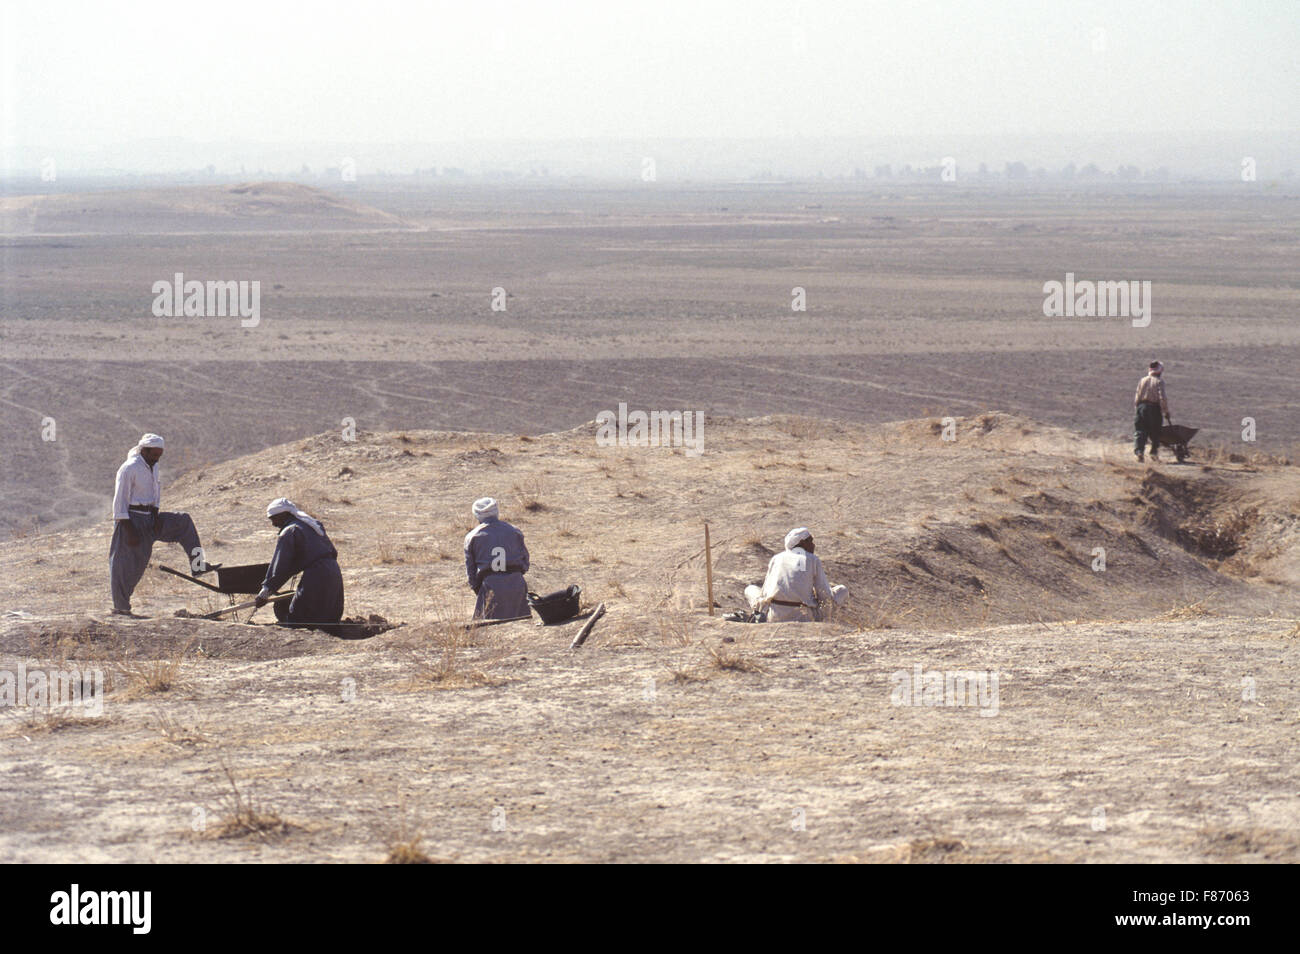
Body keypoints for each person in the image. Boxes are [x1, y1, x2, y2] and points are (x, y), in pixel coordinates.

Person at [109, 432, 214, 617]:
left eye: (159, 455)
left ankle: (198, 565)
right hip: (131, 521)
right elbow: (119, 503)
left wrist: (156, 517)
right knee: (126, 565)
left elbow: (156, 493)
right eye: (154, 454)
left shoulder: (154, 466)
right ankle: (121, 608)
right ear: (144, 450)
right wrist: (129, 530)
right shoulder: (128, 468)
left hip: (150, 517)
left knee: (183, 522)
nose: (157, 458)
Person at [254, 498, 344, 631]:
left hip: (317, 574)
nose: (273, 524)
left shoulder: (290, 531)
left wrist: (265, 591)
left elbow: (280, 565)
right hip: (333, 571)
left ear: (284, 514)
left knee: (300, 616)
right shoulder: (313, 525)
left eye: (274, 518)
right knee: (327, 614)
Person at [745, 527, 848, 622]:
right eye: (810, 541)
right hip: (803, 616)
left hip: (773, 616)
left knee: (750, 589)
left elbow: (765, 592)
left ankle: (759, 616)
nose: (813, 545)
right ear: (802, 542)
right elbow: (825, 595)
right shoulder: (813, 559)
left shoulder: (777, 558)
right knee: (842, 590)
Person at [464, 497, 530, 619]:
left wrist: (478, 588)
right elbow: (525, 561)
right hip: (517, 583)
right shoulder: (514, 531)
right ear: (497, 512)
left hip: (490, 585)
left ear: (477, 515)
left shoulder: (472, 537)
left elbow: (471, 571)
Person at [1134, 360, 1172, 462]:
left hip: (1141, 408)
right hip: (1153, 409)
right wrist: (1166, 411)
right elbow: (1162, 398)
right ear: (1160, 371)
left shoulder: (1142, 380)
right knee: (1155, 432)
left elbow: (1137, 396)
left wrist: (1137, 409)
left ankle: (1139, 452)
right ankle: (1154, 453)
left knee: (1140, 431)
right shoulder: (1159, 381)